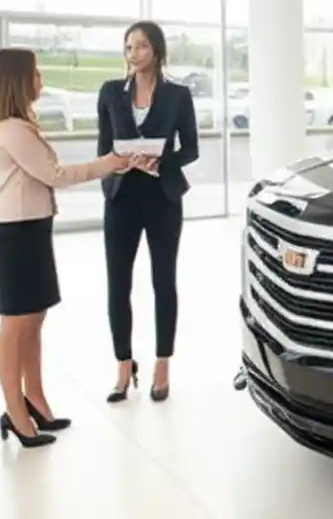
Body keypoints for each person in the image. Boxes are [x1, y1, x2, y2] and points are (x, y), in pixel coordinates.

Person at [0, 48, 131, 448]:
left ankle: (37, 403)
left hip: (29, 229)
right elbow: (54, 174)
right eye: (35, 73)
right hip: (15, 234)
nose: (41, 80)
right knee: (16, 325)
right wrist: (108, 163)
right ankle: (15, 412)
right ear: (17, 80)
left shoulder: (17, 124)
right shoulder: (11, 128)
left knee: (33, 319)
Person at [96, 21, 199, 404]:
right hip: (121, 197)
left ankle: (162, 365)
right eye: (128, 47)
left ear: (156, 50)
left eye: (140, 46)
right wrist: (120, 161)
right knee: (118, 284)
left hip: (162, 197)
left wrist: (161, 161)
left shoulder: (177, 95)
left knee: (163, 281)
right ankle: (123, 366)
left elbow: (190, 148)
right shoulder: (110, 93)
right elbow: (104, 147)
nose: (133, 53)